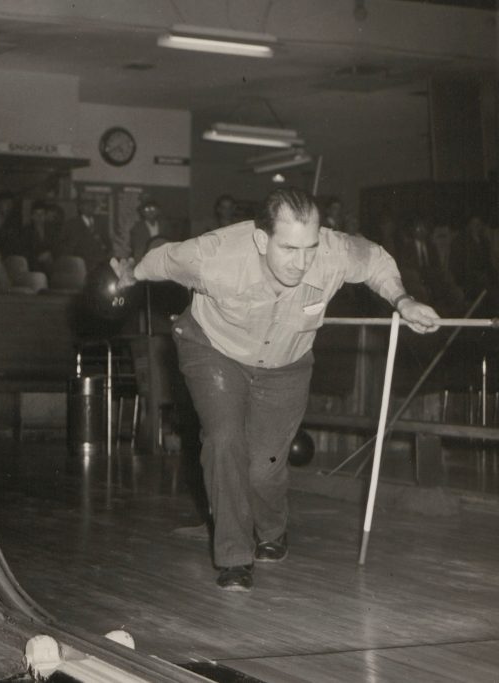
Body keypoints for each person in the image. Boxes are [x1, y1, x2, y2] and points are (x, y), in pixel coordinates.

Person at [111, 187, 440, 592]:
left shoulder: (333, 253)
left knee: (263, 470)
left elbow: (375, 261)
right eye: (288, 249)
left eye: (309, 249)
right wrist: (129, 275)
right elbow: (160, 259)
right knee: (224, 438)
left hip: (285, 365)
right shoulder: (214, 256)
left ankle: (272, 530)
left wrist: (403, 301)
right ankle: (233, 556)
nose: (301, 263)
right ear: (260, 239)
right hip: (213, 350)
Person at [129, 198, 171, 262]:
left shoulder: (164, 225)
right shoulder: (137, 227)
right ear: (143, 212)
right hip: (144, 257)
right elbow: (137, 246)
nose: (150, 212)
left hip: (162, 257)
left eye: (153, 209)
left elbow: (168, 242)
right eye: (147, 209)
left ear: (158, 211)